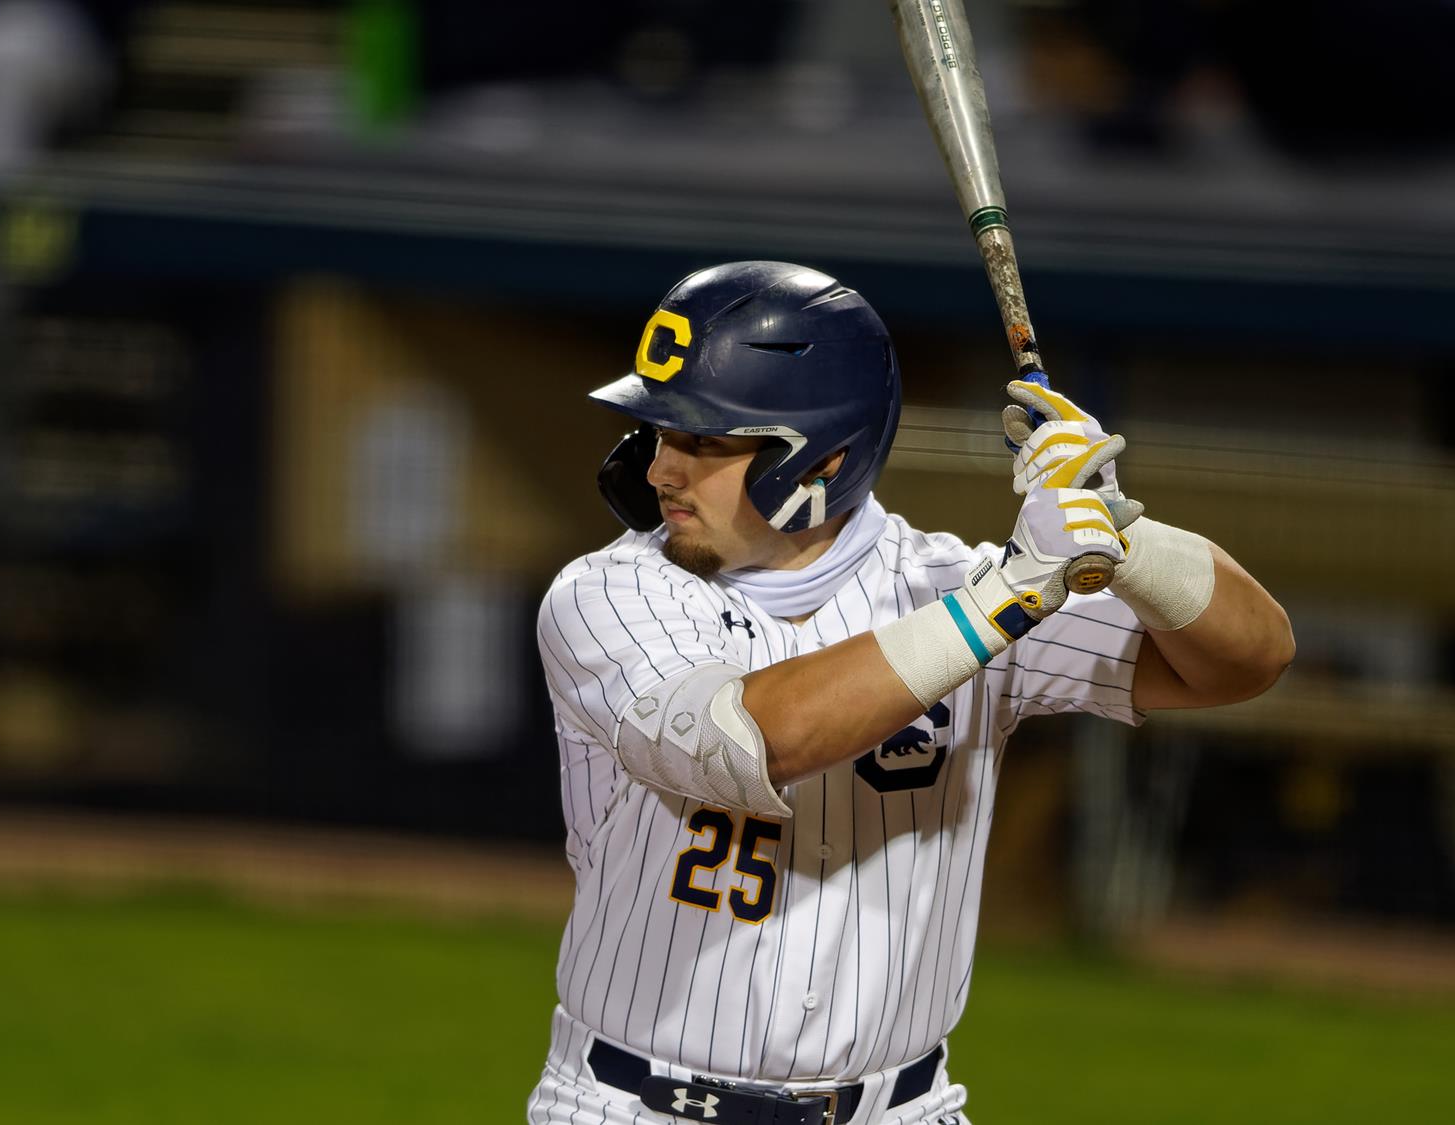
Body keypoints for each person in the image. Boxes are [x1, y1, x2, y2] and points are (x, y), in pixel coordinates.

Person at [528, 260, 1292, 1124]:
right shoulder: (610, 595)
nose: (663, 469)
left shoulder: (950, 586)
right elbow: (751, 737)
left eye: (707, 441)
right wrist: (1008, 598)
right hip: (640, 1104)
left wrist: (1129, 533)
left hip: (900, 1107)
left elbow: (1250, 658)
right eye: (660, 430)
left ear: (824, 456)